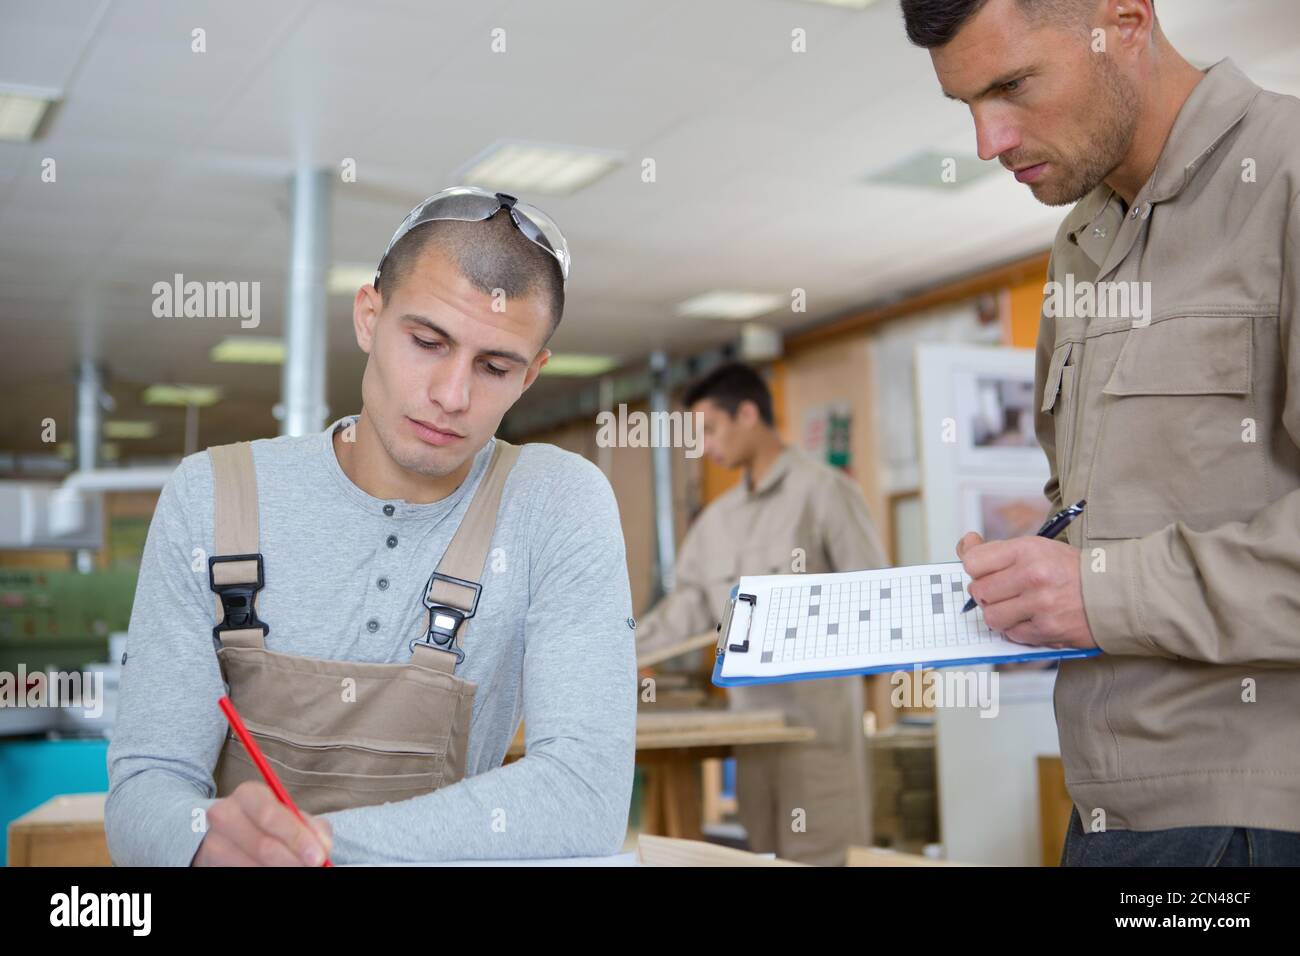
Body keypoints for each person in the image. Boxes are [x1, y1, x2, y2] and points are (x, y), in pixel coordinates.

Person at [106, 187, 637, 865]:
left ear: (532, 375)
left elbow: (585, 796)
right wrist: (202, 843)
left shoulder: (555, 503)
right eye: (426, 341)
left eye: (495, 366)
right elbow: (145, 789)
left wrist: (319, 849)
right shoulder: (212, 495)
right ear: (368, 316)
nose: (452, 396)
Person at [902, 0, 1300, 864]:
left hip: (1256, 812)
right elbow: (1094, 510)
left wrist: (1098, 593)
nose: (987, 140)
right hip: (1108, 805)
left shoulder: (1288, 177)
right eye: (965, 104)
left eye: (1011, 85)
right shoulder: (1079, 242)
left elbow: (1108, 581)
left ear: (1124, 18)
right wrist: (1035, 581)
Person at [635, 363, 885, 865]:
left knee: (821, 859)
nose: (704, 446)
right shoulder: (718, 522)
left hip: (817, 740)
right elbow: (685, 611)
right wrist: (611, 649)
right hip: (751, 735)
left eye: (710, 429)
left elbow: (875, 600)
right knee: (760, 859)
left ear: (748, 413)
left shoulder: (825, 493)